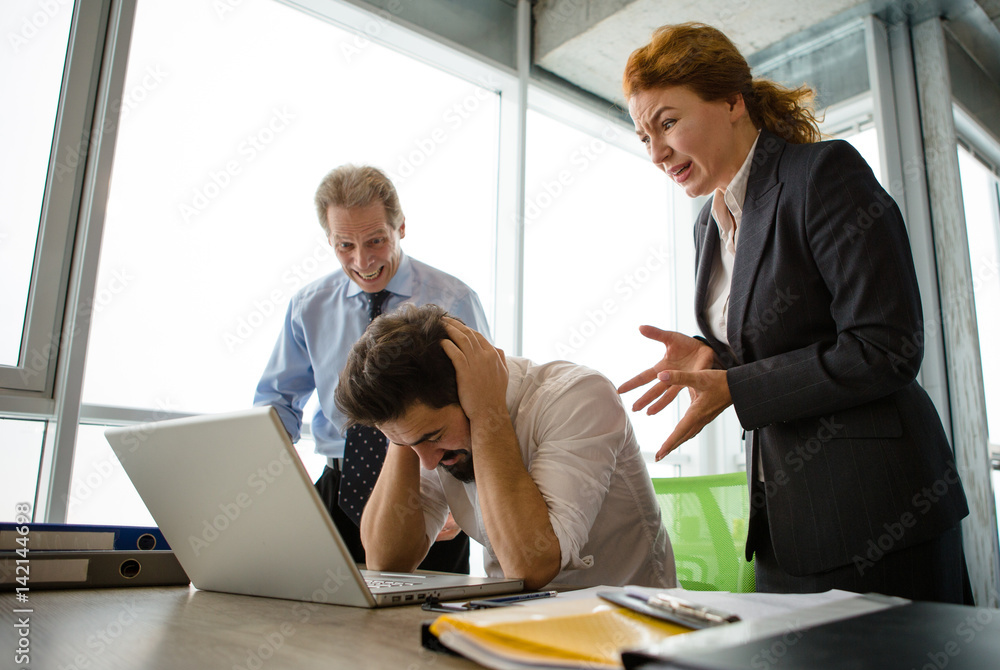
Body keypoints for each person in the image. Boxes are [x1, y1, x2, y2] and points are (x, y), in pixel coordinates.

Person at [618, 22, 971, 603]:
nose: (656, 152)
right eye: (642, 136)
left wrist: (736, 384)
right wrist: (715, 355)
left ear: (732, 101)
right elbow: (778, 346)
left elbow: (886, 346)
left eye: (668, 123)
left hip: (877, 515)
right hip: (786, 522)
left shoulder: (822, 176)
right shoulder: (711, 220)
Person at [334, 304, 677, 591]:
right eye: (408, 443)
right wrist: (402, 438)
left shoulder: (579, 397)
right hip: (511, 623)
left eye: (433, 436)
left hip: (628, 628)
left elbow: (531, 569)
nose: (426, 462)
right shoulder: (424, 433)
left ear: (466, 390)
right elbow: (385, 563)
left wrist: (487, 411)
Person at [254, 164, 491, 573]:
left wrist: (465, 495)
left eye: (376, 240)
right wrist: (277, 474)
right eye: (344, 245)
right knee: (324, 624)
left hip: (430, 487)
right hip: (337, 490)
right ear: (328, 240)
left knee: (427, 624)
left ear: (401, 227)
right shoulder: (308, 306)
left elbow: (485, 401)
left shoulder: (453, 298)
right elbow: (277, 401)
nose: (362, 261)